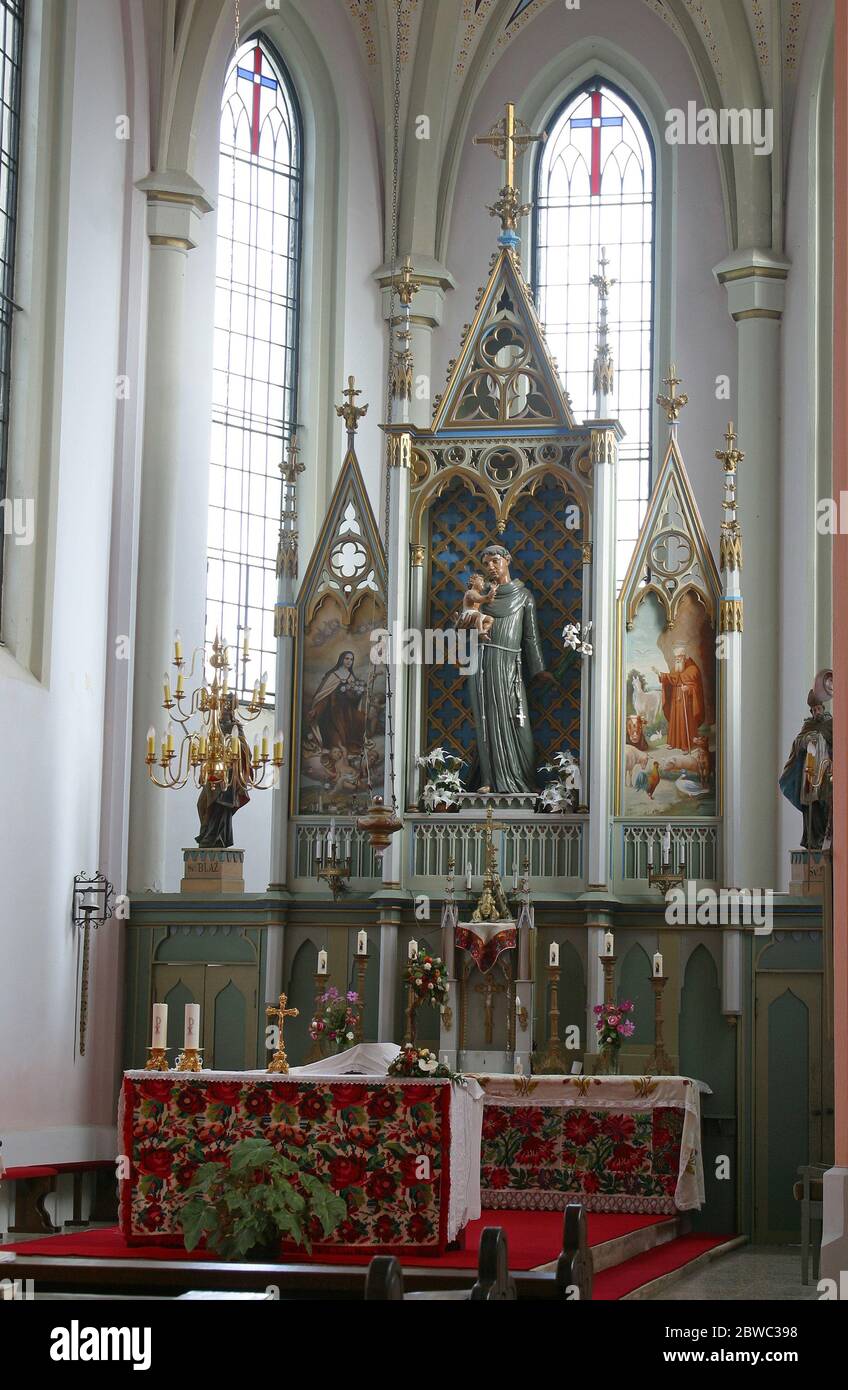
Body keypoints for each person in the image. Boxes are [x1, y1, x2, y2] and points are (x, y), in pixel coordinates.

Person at [455, 543, 550, 793]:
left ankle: (521, 780)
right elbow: (463, 624)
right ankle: (488, 779)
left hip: (510, 666)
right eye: (486, 564)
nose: (491, 567)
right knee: (485, 721)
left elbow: (531, 638)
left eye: (495, 561)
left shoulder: (523, 596)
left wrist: (538, 669)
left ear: (507, 561)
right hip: (483, 664)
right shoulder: (481, 595)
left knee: (517, 722)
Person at [196, 704, 252, 848]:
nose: (225, 709)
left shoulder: (236, 727)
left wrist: (234, 745)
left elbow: (246, 751)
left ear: (232, 710)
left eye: (228, 707)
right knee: (202, 804)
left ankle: (216, 837)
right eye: (223, 706)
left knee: (220, 806)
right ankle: (206, 834)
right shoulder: (214, 726)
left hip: (228, 775)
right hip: (213, 773)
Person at [653, 645, 706, 753]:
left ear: (684, 657)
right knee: (675, 720)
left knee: (683, 720)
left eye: (679, 657)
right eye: (676, 658)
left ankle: (686, 745)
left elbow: (696, 687)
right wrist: (660, 674)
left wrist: (688, 688)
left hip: (686, 700)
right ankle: (674, 743)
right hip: (675, 697)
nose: (677, 659)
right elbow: (671, 678)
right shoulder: (675, 668)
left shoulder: (693, 669)